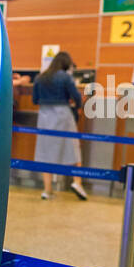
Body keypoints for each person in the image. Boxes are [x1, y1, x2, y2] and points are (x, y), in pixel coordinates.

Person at [30, 51, 87, 200]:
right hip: (63, 115)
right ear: (66, 64)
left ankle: (47, 190)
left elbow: (34, 99)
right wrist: (78, 107)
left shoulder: (40, 77)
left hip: (44, 117)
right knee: (73, 148)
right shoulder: (65, 77)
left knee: (46, 152)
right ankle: (77, 182)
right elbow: (76, 96)